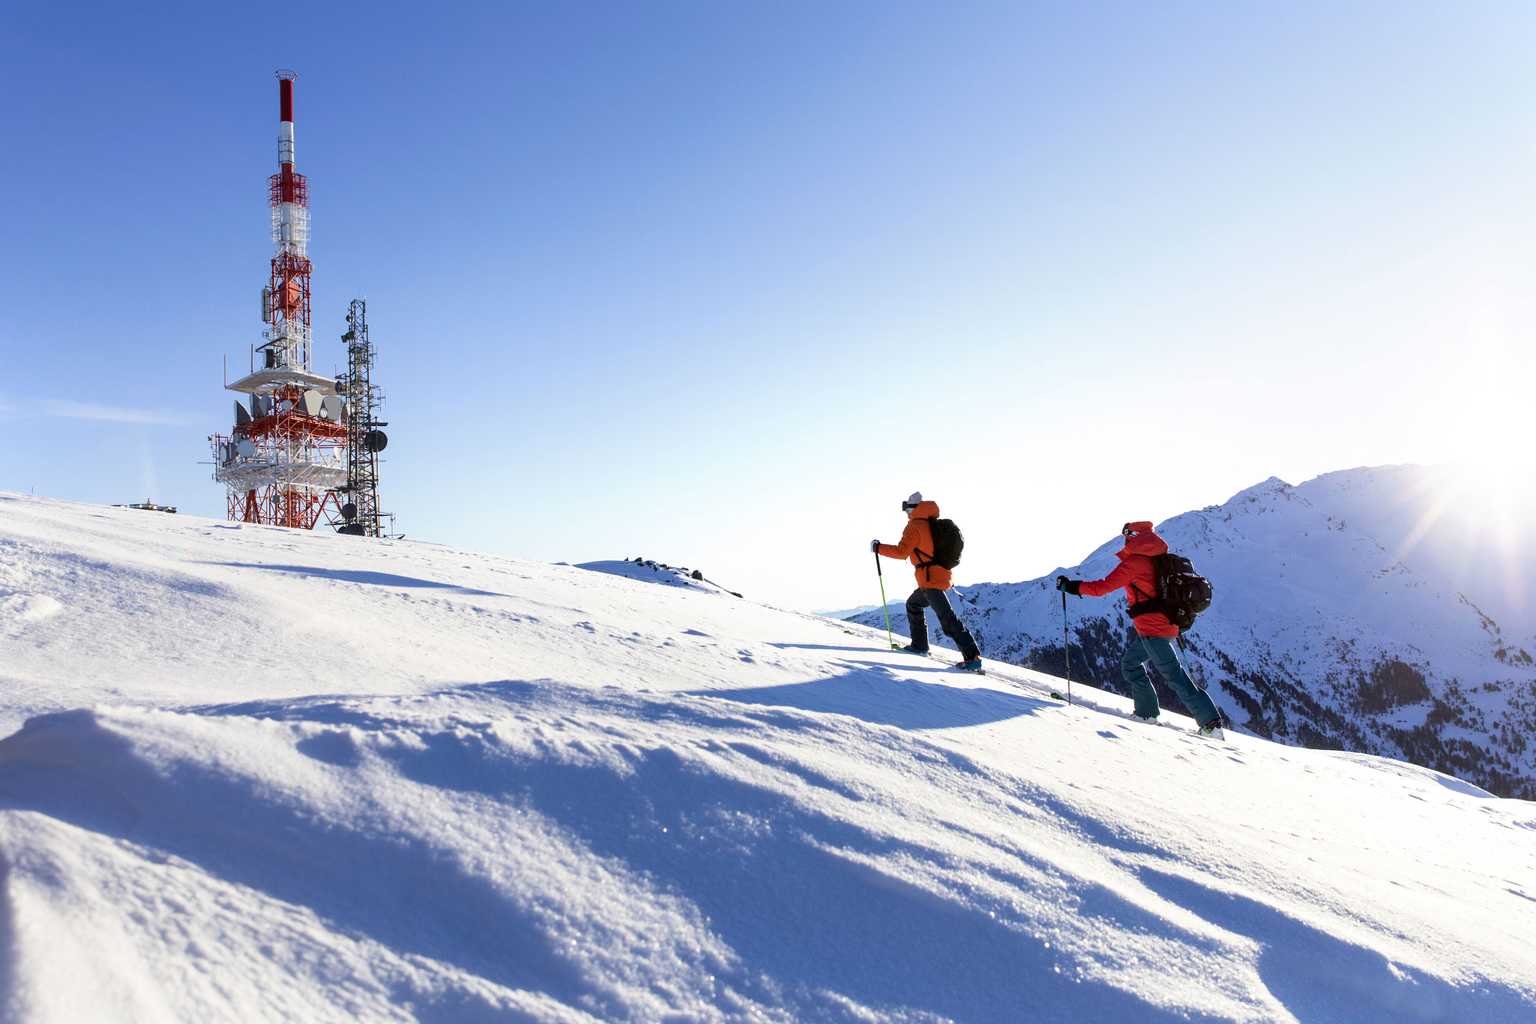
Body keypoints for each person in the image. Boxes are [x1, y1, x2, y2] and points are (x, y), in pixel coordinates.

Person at [1056, 521, 1224, 736]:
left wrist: (1071, 586)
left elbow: (1102, 587)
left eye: (1127, 536)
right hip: (1167, 625)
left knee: (1174, 676)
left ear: (1132, 537)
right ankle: (1146, 713)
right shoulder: (1160, 558)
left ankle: (1210, 724)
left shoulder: (1135, 562)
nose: (1125, 541)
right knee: (1130, 664)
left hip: (1153, 629)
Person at [872, 492, 983, 671]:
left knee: (948, 619)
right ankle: (920, 645)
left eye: (907, 508)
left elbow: (901, 552)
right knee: (913, 604)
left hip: (931, 580)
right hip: (936, 576)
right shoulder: (930, 523)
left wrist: (878, 548)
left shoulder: (915, 526)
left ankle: (972, 657)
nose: (906, 512)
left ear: (912, 508)